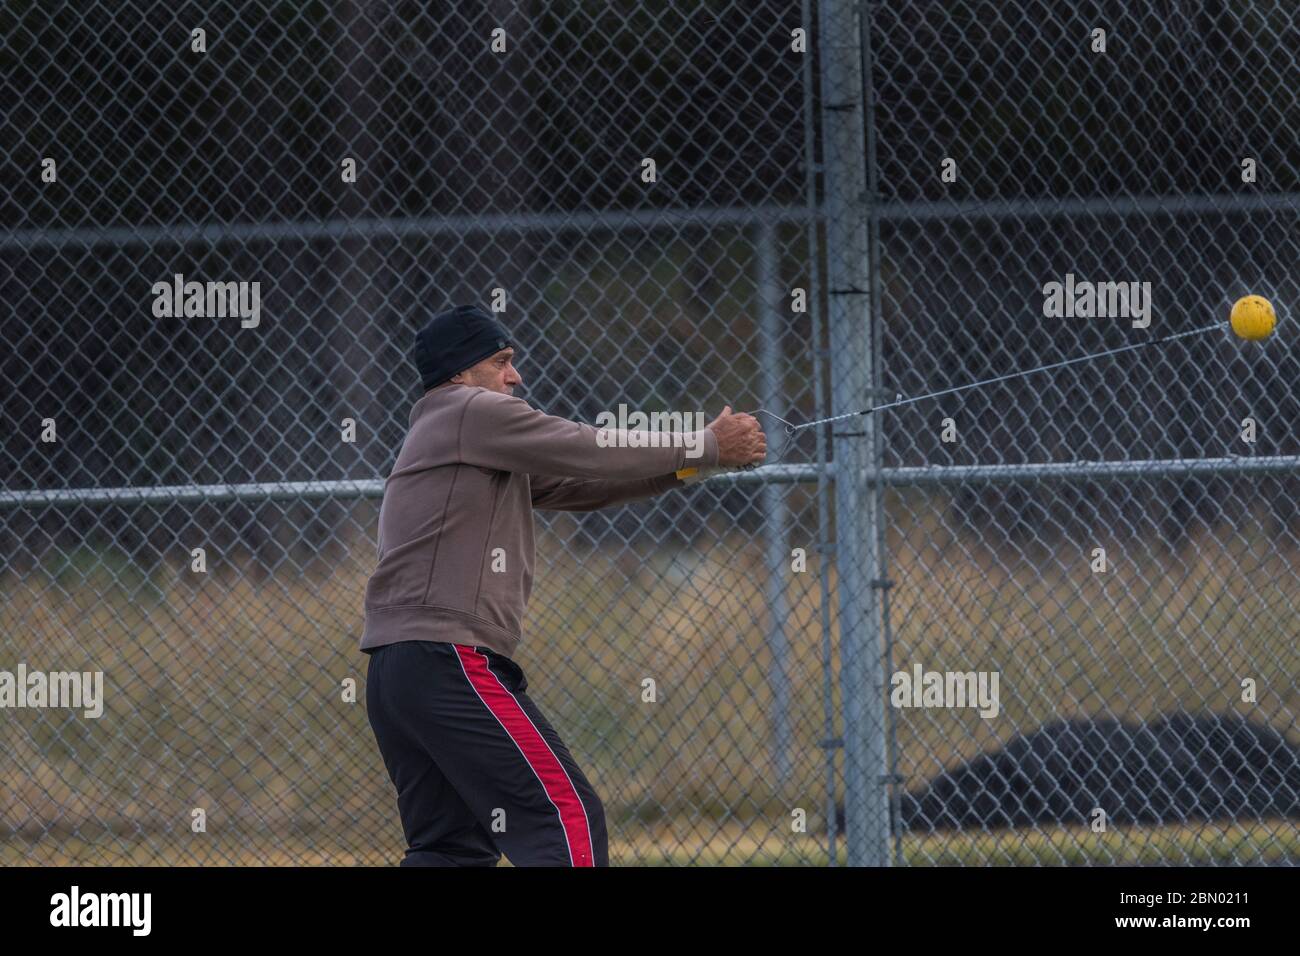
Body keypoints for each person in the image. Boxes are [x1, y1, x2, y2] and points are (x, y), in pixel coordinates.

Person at [361, 304, 766, 866]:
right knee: (564, 812)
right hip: (447, 658)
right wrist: (707, 443)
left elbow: (583, 483)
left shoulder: (451, 432)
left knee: (449, 846)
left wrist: (695, 465)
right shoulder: (470, 411)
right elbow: (590, 447)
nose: (515, 375)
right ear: (459, 372)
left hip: (397, 670)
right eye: (501, 361)